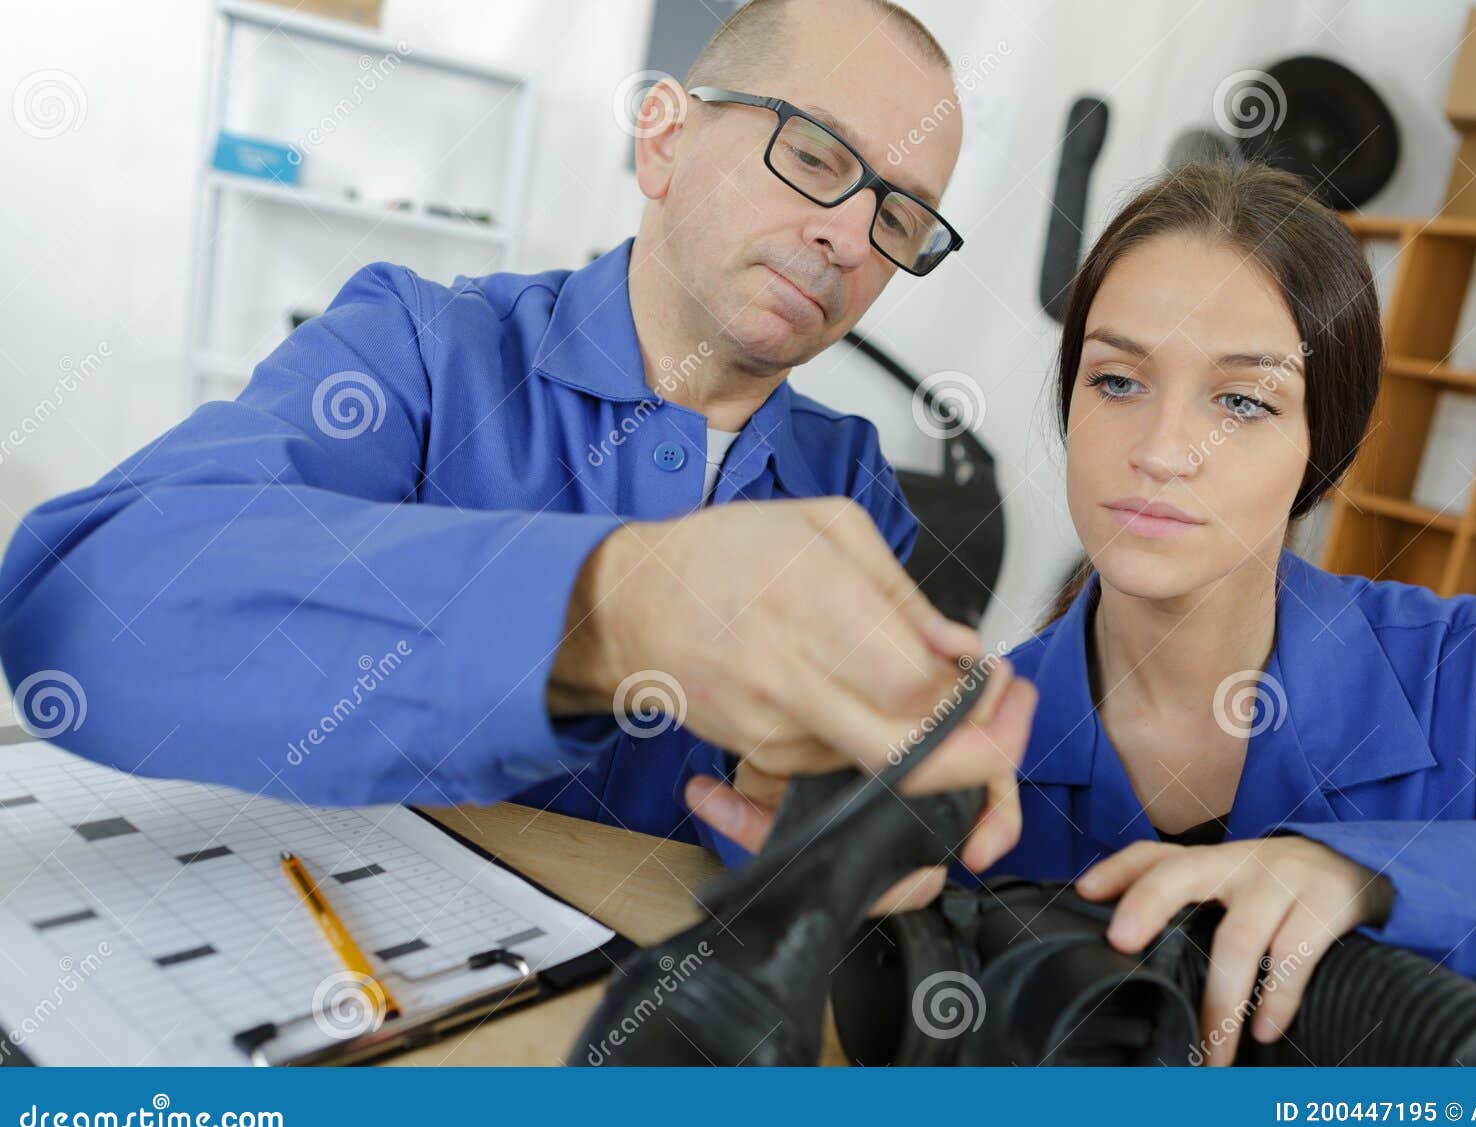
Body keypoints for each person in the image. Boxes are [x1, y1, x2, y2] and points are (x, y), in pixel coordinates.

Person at [0, 0, 1035, 896]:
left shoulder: (854, 490)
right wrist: (612, 607)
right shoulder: (418, 353)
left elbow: (858, 805)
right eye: (814, 155)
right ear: (664, 138)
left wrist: (884, 811)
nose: (850, 239)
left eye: (900, 218)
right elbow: (86, 609)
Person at [690, 161, 1476, 1067]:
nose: (1163, 452)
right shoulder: (952, 747)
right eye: (1118, 381)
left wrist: (1371, 874)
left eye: (1243, 401)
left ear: (1322, 446)